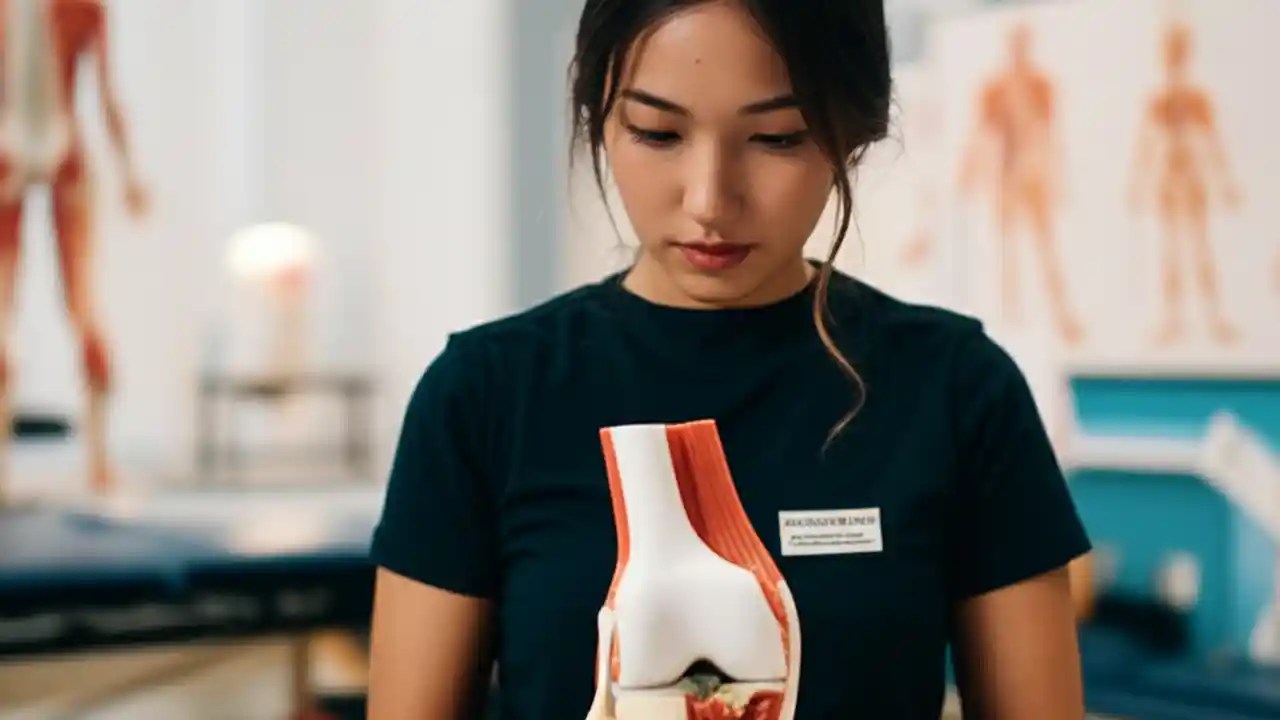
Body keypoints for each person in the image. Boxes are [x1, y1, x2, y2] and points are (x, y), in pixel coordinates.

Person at [367, 1, 1091, 718]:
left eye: (776, 138)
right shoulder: (486, 394)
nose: (710, 199)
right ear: (598, 118)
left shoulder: (956, 389)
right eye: (657, 132)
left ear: (855, 132)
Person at [0, 0, 148, 502]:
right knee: (2, 315)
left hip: (64, 156)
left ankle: (99, 461)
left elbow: (106, 96)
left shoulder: (82, 8)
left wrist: (129, 173)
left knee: (84, 306)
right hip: (9, 158)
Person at [957, 22, 1083, 346]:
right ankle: (1008, 319)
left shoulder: (1041, 86)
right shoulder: (996, 89)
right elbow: (981, 133)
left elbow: (1052, 134)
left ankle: (1059, 315)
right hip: (1007, 173)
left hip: (1033, 172)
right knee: (1006, 248)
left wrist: (1057, 176)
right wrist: (968, 172)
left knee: (1044, 245)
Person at [1129, 21, 1241, 346]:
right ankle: (1172, 321)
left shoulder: (1194, 100)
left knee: (1199, 250)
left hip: (1190, 181)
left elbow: (1212, 142)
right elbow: (1146, 145)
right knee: (1172, 254)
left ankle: (1213, 316)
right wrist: (1140, 182)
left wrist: (1224, 182)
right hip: (1170, 182)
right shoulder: (1160, 101)